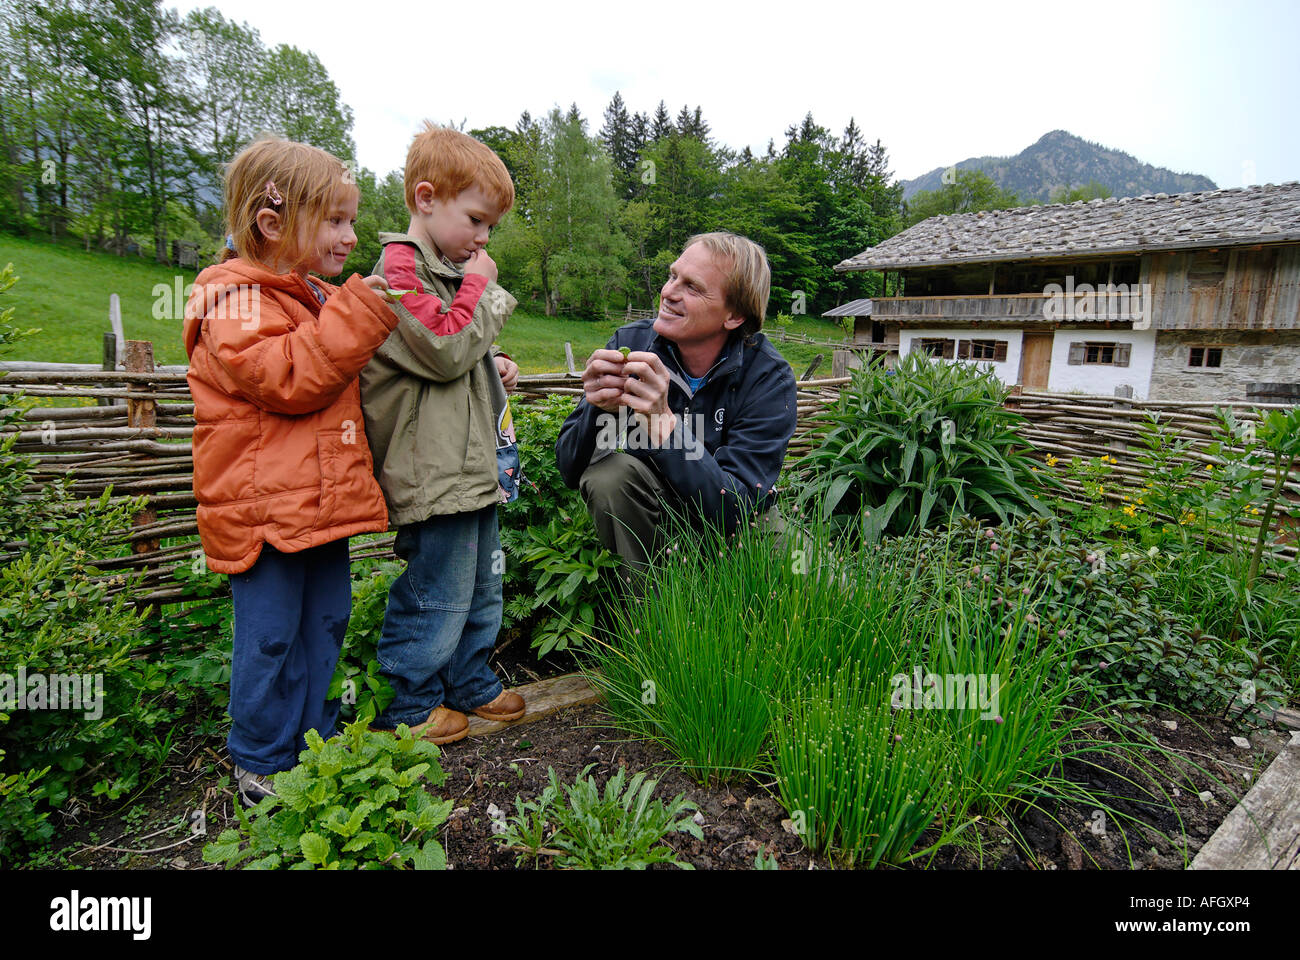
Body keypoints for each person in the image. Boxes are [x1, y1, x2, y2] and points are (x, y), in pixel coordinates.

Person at [183, 136, 402, 807]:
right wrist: (358, 312)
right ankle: (261, 760)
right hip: (265, 513)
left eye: (352, 219)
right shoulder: (233, 301)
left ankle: (311, 739)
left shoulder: (309, 296)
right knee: (272, 636)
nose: (350, 235)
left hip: (317, 506)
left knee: (326, 623)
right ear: (272, 224)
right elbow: (290, 377)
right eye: (335, 219)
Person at [360, 124, 525, 746]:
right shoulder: (399, 271)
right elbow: (445, 346)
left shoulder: (445, 274)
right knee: (438, 589)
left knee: (482, 584)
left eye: (490, 228)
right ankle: (410, 703)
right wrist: (483, 288)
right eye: (476, 220)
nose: (483, 240)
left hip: (468, 466)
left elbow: (461, 349)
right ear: (425, 198)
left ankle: (469, 683)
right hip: (431, 468)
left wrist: (494, 362)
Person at [555, 232, 798, 577]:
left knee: (827, 583)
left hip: (742, 521)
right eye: (672, 276)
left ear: (733, 316)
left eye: (692, 288)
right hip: (650, 502)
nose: (668, 293)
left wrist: (662, 422)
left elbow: (735, 512)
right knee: (610, 476)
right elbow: (569, 470)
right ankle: (647, 614)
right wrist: (599, 409)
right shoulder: (632, 343)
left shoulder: (768, 378)